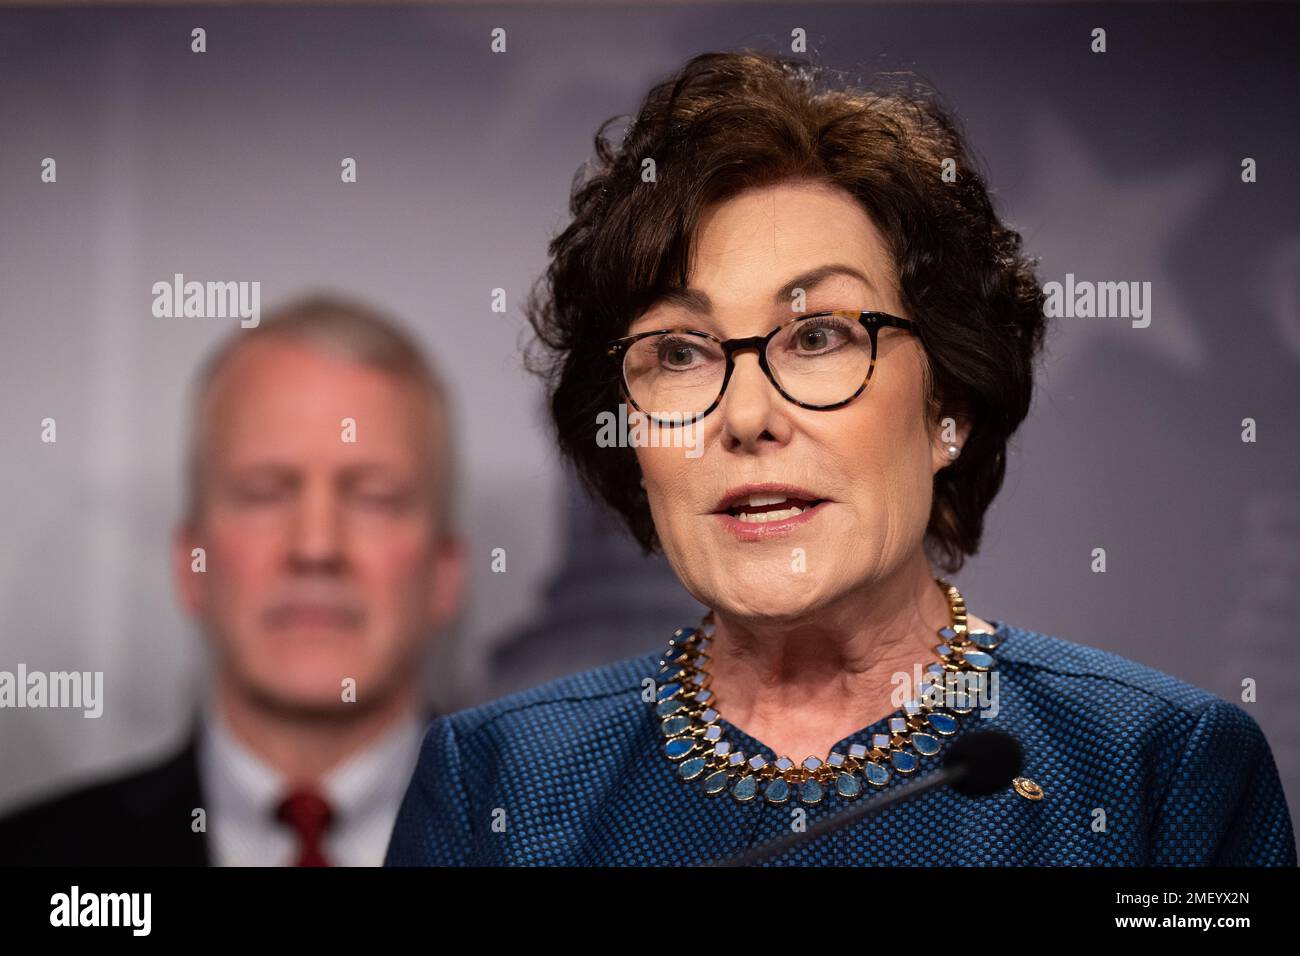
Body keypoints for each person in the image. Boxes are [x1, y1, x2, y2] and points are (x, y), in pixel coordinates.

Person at [385, 51, 1296, 866]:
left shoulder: (1162, 772)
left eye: (817, 335)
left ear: (949, 406)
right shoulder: (495, 786)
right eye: (679, 352)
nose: (745, 416)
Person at [0, 295, 465, 866]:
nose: (315, 547)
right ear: (189, 561)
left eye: (374, 498)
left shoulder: (563, 850)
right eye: (262, 493)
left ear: (445, 570)